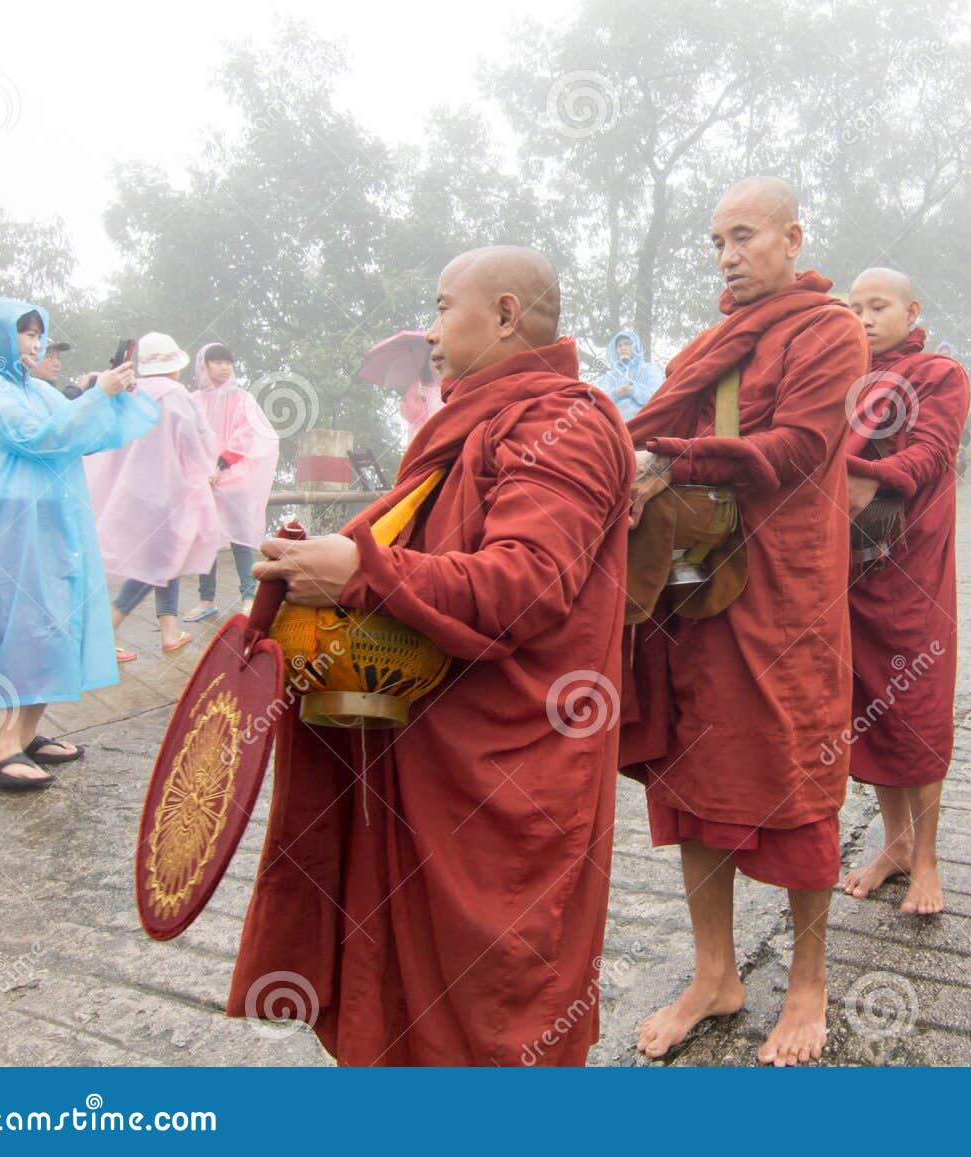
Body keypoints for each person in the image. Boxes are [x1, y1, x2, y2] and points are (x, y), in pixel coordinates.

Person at [227, 246, 633, 1065]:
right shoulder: (468, 420)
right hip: (422, 740)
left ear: (508, 314)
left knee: (499, 1003)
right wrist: (331, 568)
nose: (432, 331)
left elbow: (527, 584)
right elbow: (427, 547)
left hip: (512, 760)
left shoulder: (568, 422)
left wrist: (365, 569)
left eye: (445, 307)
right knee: (403, 993)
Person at [622, 176, 868, 1066]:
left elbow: (800, 448)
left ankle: (809, 983)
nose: (728, 256)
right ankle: (715, 972)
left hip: (785, 586)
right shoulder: (712, 340)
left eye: (744, 237)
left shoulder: (830, 330)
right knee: (694, 772)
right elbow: (642, 424)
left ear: (792, 237)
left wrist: (672, 455)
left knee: (793, 768)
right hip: (698, 583)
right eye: (716, 242)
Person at [0, 290, 155, 790]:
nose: (32, 341)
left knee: (55, 622)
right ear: (0, 337)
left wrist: (105, 392)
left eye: (35, 331)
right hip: (13, 529)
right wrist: (95, 395)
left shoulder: (35, 387)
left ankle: (27, 736)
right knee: (24, 629)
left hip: (54, 523)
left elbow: (82, 431)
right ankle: (2, 750)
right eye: (23, 332)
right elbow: (40, 437)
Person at [837, 268, 969, 915]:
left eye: (878, 305)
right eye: (854, 306)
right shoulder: (847, 381)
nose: (863, 316)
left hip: (912, 562)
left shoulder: (938, 375)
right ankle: (893, 844)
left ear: (911, 309)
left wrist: (860, 473)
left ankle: (928, 859)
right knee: (873, 706)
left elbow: (931, 455)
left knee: (916, 702)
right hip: (853, 562)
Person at [85, 333, 222, 660]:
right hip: (169, 490)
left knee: (165, 556)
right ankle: (106, 628)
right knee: (161, 558)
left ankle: (169, 630)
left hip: (133, 489)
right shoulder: (177, 396)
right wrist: (208, 467)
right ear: (174, 366)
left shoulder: (131, 392)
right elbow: (197, 440)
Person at [182, 344, 279, 621]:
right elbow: (188, 437)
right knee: (207, 537)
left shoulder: (243, 399)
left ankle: (249, 596)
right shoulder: (194, 400)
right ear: (204, 366)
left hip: (234, 477)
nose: (224, 367)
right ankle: (205, 598)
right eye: (217, 362)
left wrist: (220, 464)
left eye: (228, 361)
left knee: (240, 537)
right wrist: (203, 468)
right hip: (204, 479)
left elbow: (247, 435)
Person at [596, 328, 665, 421]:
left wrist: (632, 391)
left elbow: (657, 395)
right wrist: (615, 394)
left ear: (635, 347)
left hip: (643, 423)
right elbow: (597, 401)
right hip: (613, 427)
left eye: (627, 344)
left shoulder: (649, 370)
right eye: (619, 346)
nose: (623, 348)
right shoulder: (609, 377)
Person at [399, 361, 443, 444]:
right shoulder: (417, 386)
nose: (435, 363)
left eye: (439, 359)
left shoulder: (449, 385)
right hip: (422, 435)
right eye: (432, 360)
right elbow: (412, 415)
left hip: (442, 434)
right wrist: (417, 397)